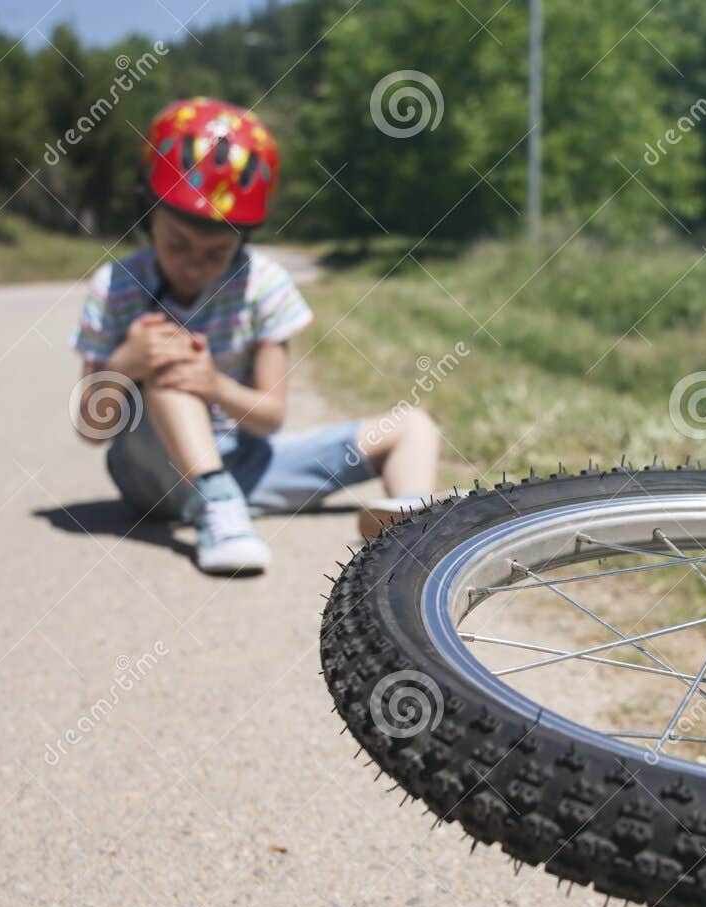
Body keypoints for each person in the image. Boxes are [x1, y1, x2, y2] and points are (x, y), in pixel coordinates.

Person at [71, 97, 439, 575]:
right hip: (152, 474)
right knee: (171, 365)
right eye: (178, 244)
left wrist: (215, 386)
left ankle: (414, 528)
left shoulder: (263, 284)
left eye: (216, 252)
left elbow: (268, 418)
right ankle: (217, 505)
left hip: (244, 463)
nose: (194, 264)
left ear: (241, 241)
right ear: (149, 217)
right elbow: (89, 431)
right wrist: (124, 365)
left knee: (413, 425)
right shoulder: (114, 286)